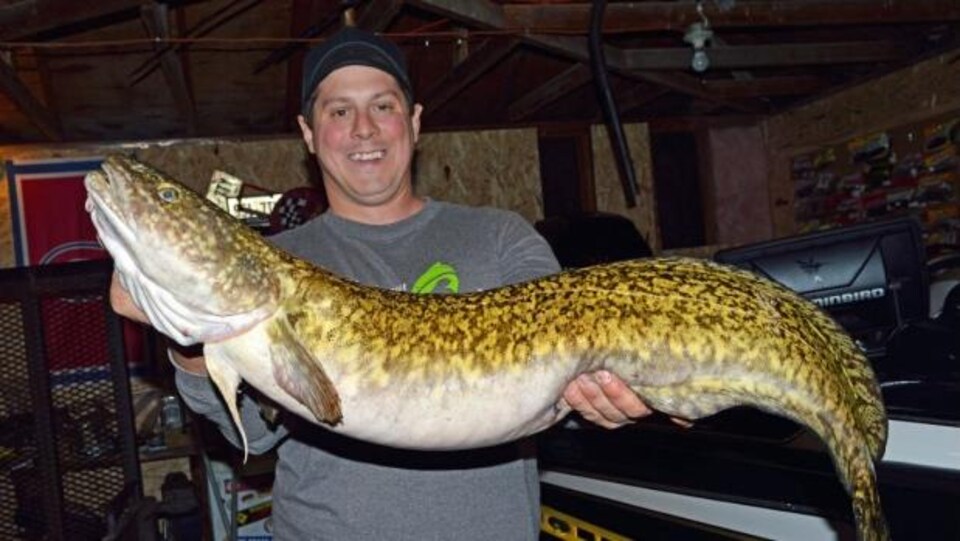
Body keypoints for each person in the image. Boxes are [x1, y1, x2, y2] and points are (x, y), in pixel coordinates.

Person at [110, 27, 650, 540]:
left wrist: (609, 396)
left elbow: (562, 373)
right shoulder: (279, 263)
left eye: (382, 106)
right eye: (339, 110)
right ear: (309, 134)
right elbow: (248, 432)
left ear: (413, 123)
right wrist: (187, 340)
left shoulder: (501, 238)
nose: (363, 128)